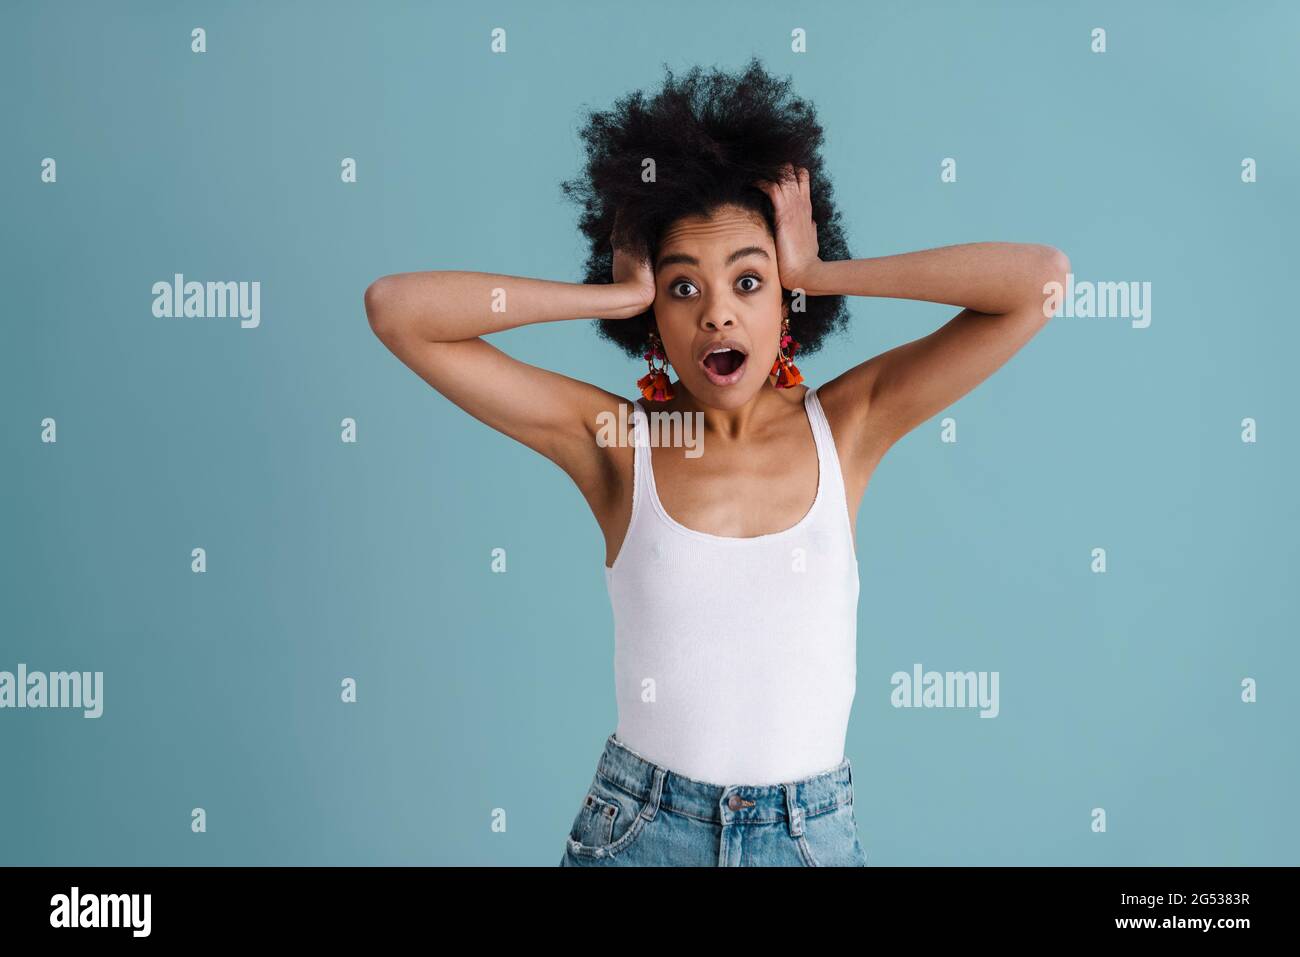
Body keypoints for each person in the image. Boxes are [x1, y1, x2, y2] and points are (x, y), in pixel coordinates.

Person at [363, 59, 1067, 866]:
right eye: (682, 289)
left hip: (809, 838)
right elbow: (398, 310)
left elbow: (1040, 282)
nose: (718, 310)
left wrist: (819, 272)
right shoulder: (619, 446)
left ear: (784, 304)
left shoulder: (847, 426)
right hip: (639, 832)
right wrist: (609, 294)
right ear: (653, 315)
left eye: (750, 280)